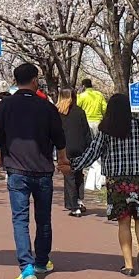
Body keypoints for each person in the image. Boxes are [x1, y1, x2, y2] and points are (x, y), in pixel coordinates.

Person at [0, 63, 71, 279]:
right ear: (35, 80)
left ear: (16, 81)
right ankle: (42, 261)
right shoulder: (46, 106)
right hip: (43, 170)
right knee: (43, 218)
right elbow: (59, 136)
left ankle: (26, 267)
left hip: (16, 171)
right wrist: (63, 159)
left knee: (20, 219)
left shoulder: (5, 106)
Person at [74, 92, 139, 277]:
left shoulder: (106, 129)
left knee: (123, 222)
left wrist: (74, 165)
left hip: (117, 181)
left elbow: (93, 152)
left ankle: (129, 265)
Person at [56, 89, 93, 217]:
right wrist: (89, 148)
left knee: (69, 177)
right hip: (80, 148)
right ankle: (79, 201)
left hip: (64, 149)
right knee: (79, 175)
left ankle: (74, 207)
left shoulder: (58, 113)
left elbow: (54, 133)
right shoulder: (80, 112)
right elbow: (86, 132)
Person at [76, 79, 108, 191]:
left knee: (89, 148)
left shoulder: (82, 96)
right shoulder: (99, 95)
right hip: (98, 123)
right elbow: (105, 108)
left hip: (86, 123)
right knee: (99, 148)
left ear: (83, 86)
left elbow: (76, 108)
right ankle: (100, 176)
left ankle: (91, 171)